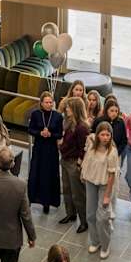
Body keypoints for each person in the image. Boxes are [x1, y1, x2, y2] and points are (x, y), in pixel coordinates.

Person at [80, 121, 118, 259]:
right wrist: (83, 174)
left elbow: (112, 175)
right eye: (102, 134)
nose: (105, 137)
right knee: (90, 214)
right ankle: (95, 241)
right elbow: (87, 160)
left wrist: (107, 195)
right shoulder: (91, 146)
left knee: (102, 217)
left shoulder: (112, 152)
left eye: (108, 134)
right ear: (98, 135)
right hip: (91, 182)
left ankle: (105, 244)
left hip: (104, 185)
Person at [28, 91, 64, 214]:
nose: (49, 104)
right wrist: (40, 133)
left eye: (51, 102)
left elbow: (60, 133)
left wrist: (50, 134)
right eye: (47, 102)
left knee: (49, 175)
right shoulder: (35, 114)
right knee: (36, 173)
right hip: (39, 148)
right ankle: (33, 198)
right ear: (41, 103)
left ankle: (48, 202)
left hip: (51, 150)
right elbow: (30, 129)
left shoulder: (58, 116)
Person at [59, 97, 89, 232]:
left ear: (75, 109)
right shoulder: (69, 122)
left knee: (78, 194)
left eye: (69, 107)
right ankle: (70, 214)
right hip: (65, 159)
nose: (66, 109)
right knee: (66, 190)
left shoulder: (82, 127)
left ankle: (84, 221)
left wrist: (79, 163)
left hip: (73, 163)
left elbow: (84, 148)